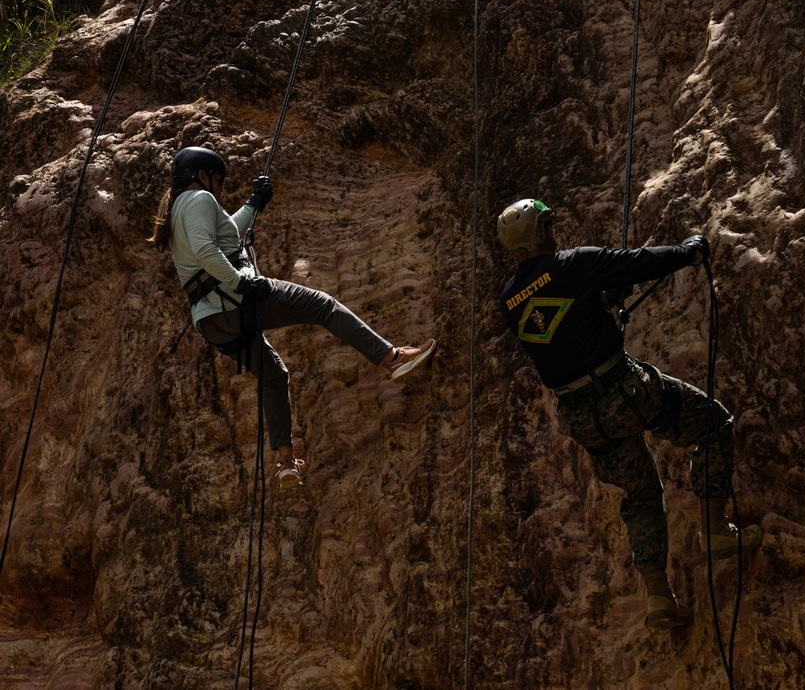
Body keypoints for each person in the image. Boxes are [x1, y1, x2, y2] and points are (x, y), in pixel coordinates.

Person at [496, 198, 762, 630]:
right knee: (712, 424)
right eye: (549, 224)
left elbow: (560, 323)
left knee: (639, 494)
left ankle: (659, 596)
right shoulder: (572, 264)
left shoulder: (509, 298)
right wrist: (689, 250)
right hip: (624, 391)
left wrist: (602, 302)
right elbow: (636, 263)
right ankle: (715, 529)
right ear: (543, 233)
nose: (554, 230)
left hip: (583, 417)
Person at [150, 146, 436, 489]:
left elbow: (224, 235)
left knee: (273, 374)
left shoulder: (179, 210)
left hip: (213, 322)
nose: (221, 189)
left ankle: (286, 462)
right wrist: (241, 281)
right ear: (201, 176)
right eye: (218, 181)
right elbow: (206, 250)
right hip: (236, 299)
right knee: (323, 306)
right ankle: (391, 358)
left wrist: (254, 204)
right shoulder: (199, 200)